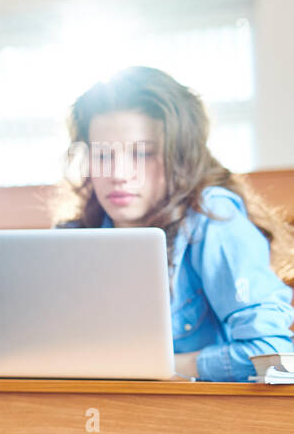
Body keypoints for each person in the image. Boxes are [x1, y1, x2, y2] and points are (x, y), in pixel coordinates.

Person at [56, 66, 294, 381]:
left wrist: (160, 367)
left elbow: (274, 356)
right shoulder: (72, 236)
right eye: (102, 156)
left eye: (142, 154)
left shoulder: (213, 219)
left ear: (180, 156)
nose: (119, 173)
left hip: (191, 421)